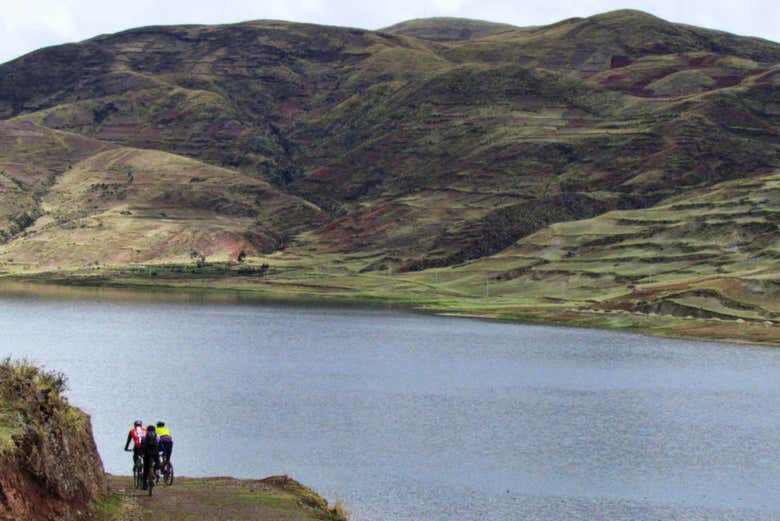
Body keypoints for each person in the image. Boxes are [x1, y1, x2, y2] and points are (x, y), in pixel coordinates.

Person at [140, 424, 160, 489]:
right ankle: (157, 473)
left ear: (147, 430)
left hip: (147, 454)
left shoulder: (144, 436)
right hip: (155, 453)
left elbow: (142, 446)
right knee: (157, 463)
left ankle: (144, 484)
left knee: (146, 468)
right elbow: (160, 445)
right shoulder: (157, 436)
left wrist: (141, 453)